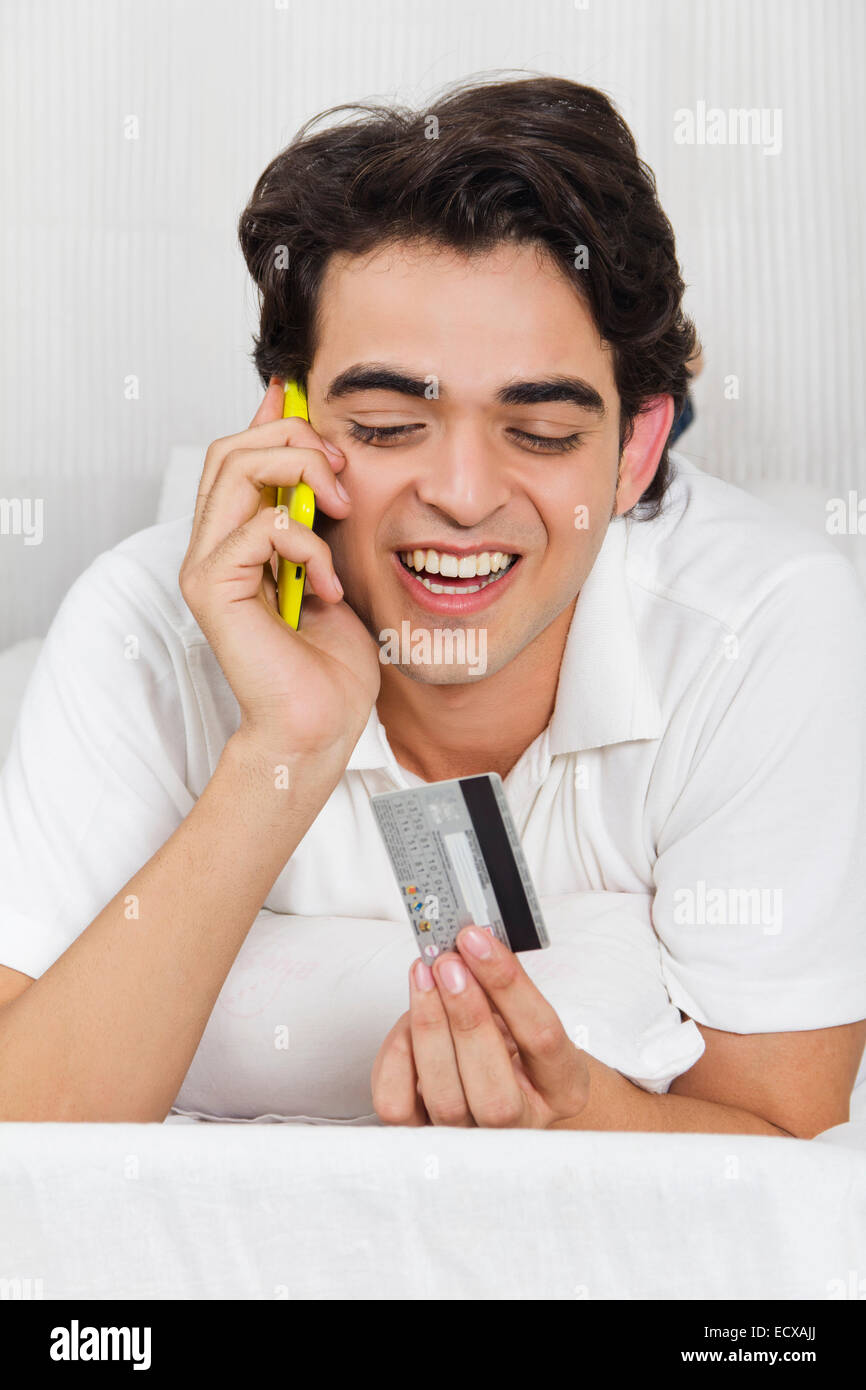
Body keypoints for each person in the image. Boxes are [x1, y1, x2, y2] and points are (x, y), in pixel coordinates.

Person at [0, 76, 863, 1136]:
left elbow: (785, 1141)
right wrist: (285, 746)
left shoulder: (765, 628)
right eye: (383, 423)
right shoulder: (141, 630)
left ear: (636, 450)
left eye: (540, 433)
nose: (460, 495)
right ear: (285, 423)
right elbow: (21, 1131)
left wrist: (571, 1111)